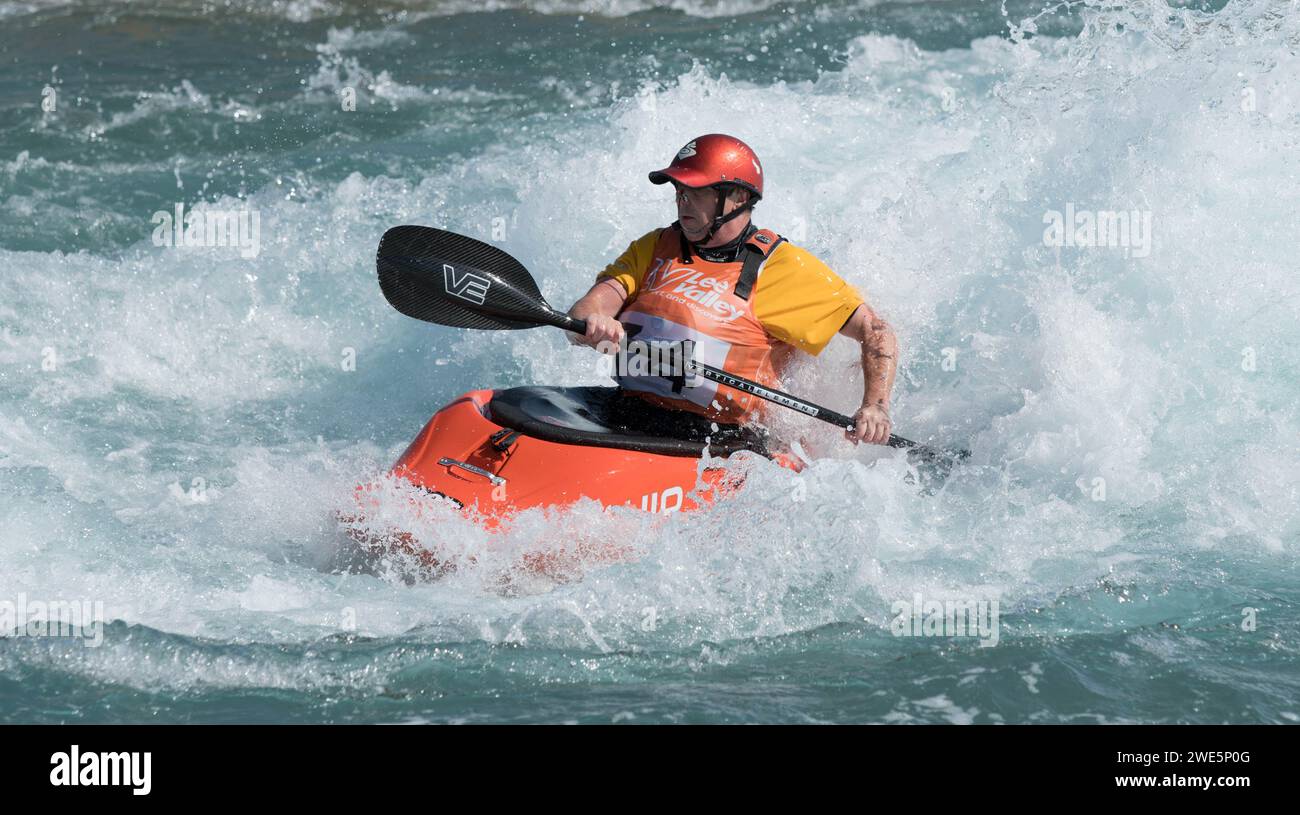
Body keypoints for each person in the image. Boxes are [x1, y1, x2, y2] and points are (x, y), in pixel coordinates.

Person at [568, 133, 897, 446]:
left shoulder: (780, 268)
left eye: (696, 190)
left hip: (722, 439)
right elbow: (587, 310)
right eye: (679, 189)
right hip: (629, 413)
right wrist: (595, 324)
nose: (682, 199)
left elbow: (875, 330)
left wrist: (875, 407)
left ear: (737, 198)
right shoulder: (653, 247)